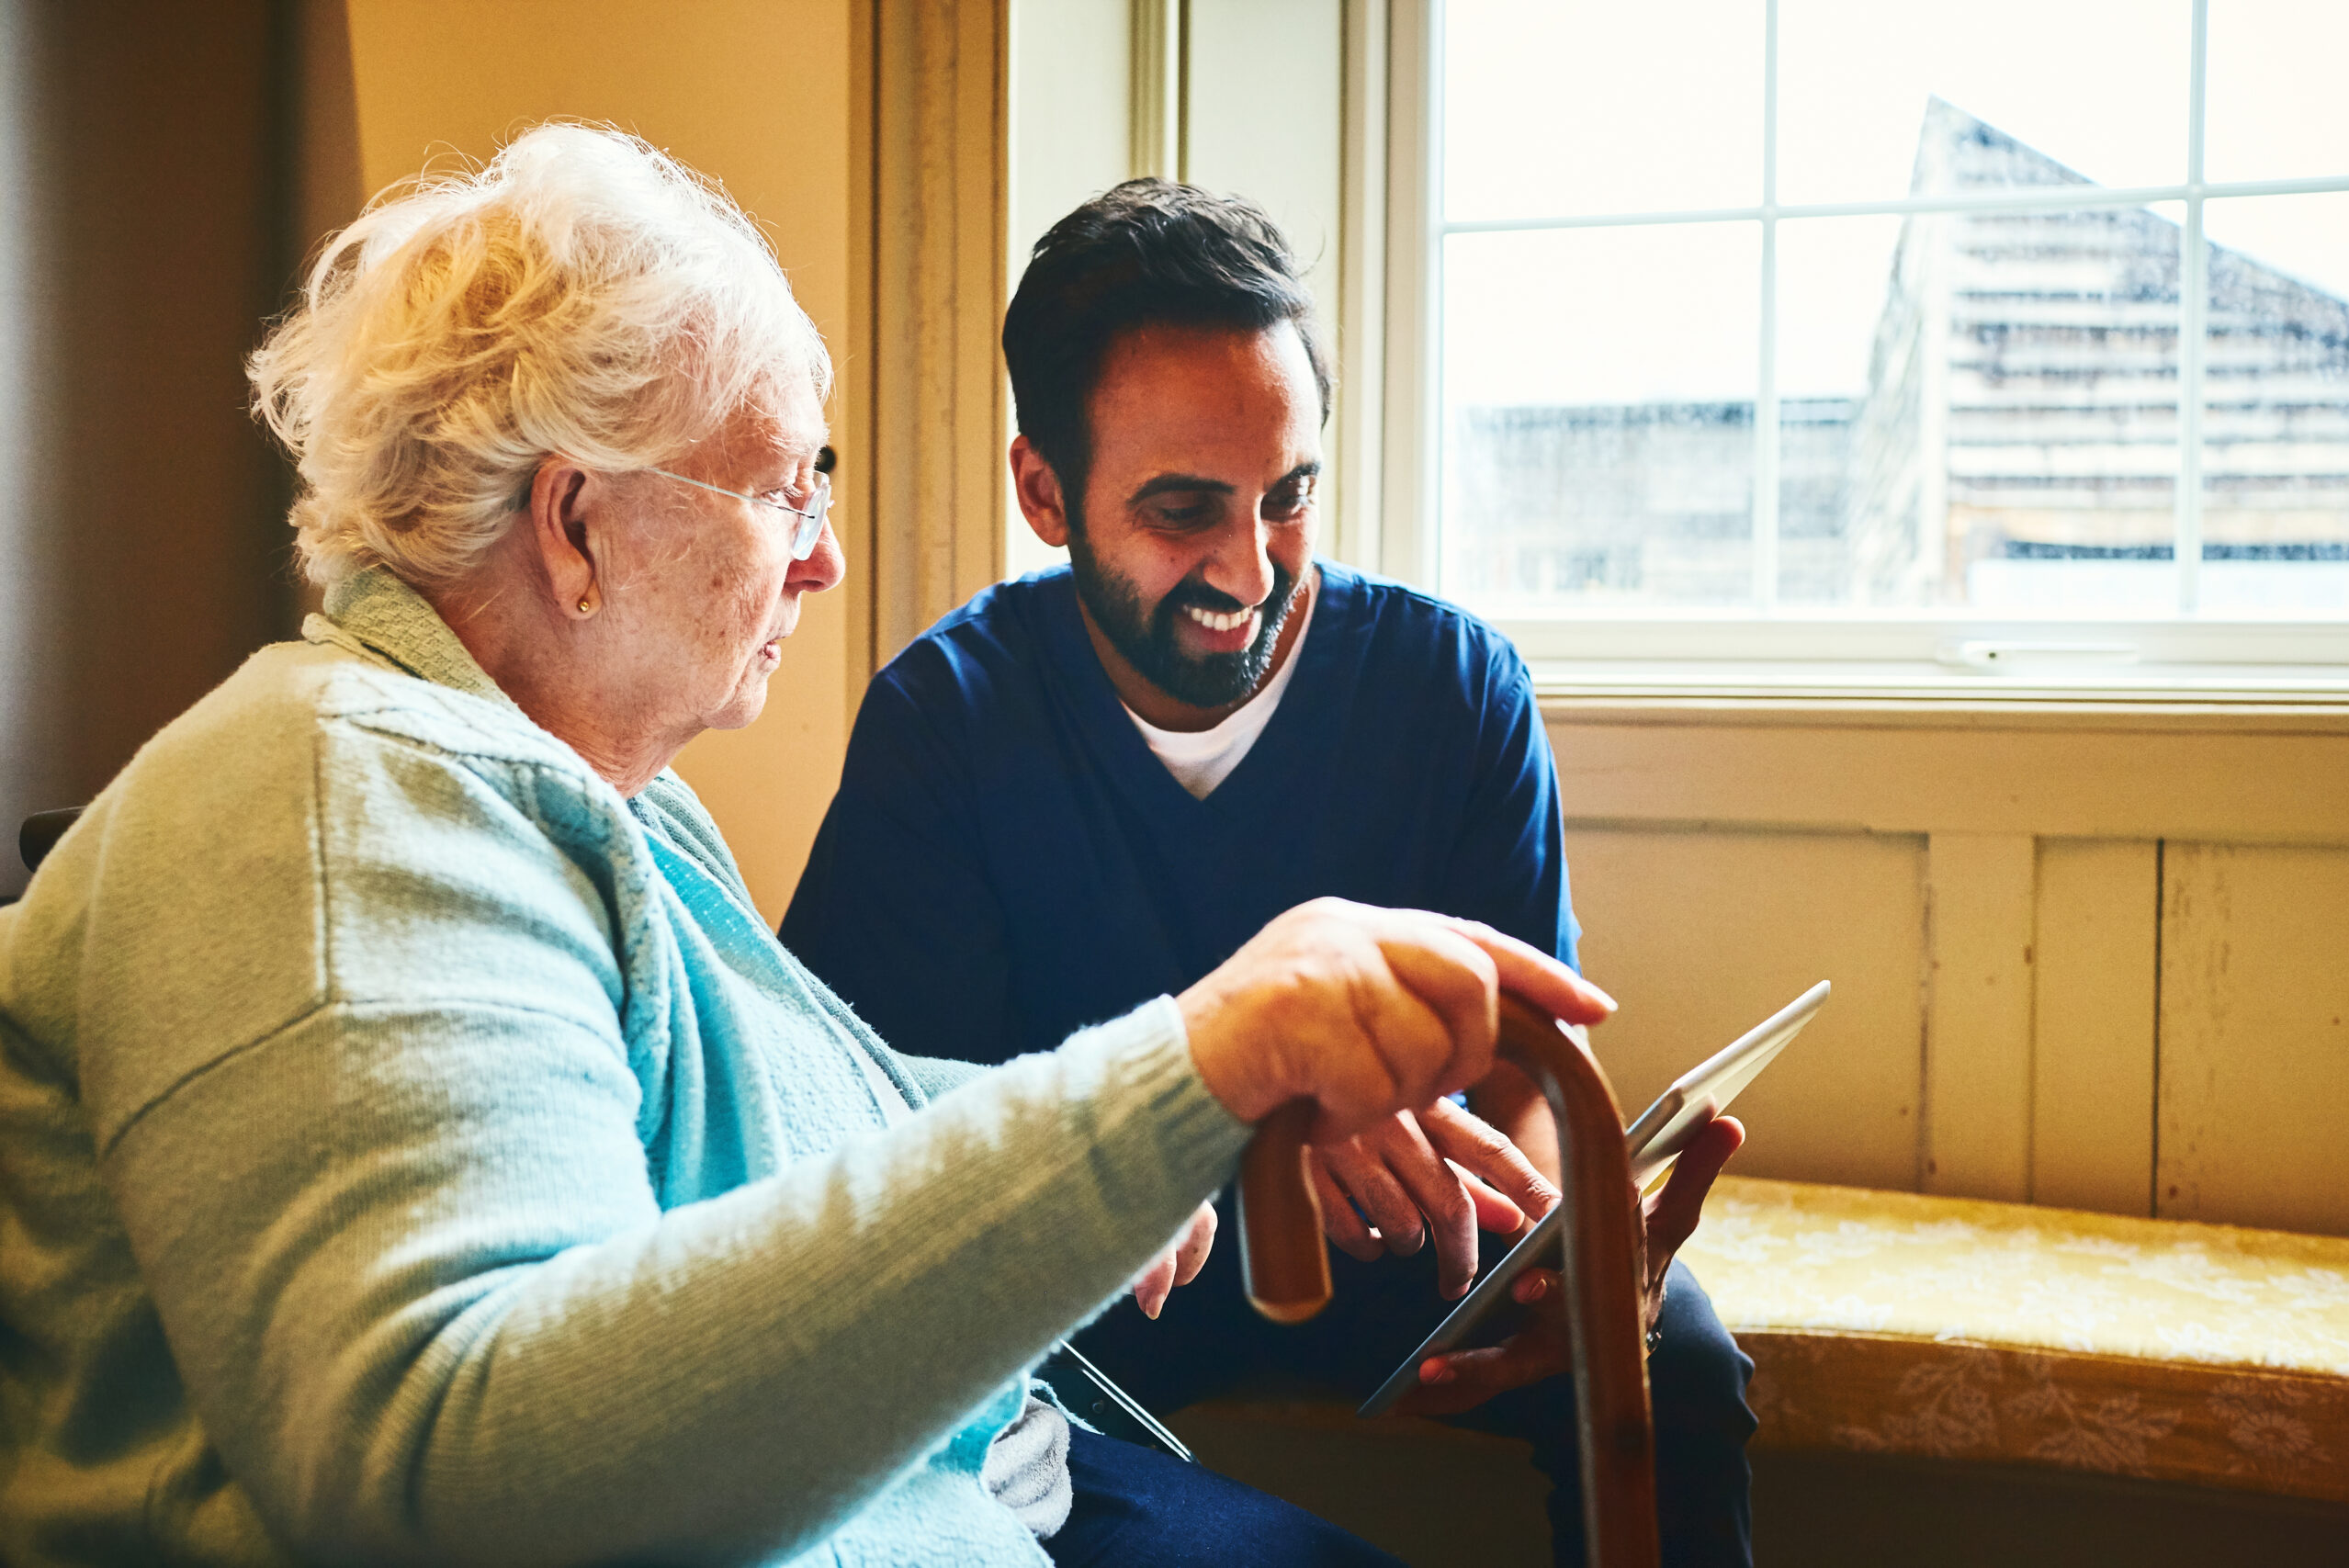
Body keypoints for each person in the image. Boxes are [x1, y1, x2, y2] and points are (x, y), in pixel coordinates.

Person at [0, 128, 1616, 1568]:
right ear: (575, 525)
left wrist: (1208, 1118)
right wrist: (1191, 1067)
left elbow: (790, 1136)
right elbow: (462, 1470)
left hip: (983, 1490)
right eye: (782, 487)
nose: (828, 557)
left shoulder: (597, 807)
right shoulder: (335, 806)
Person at [783, 179, 1758, 1566]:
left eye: (1288, 499)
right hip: (1103, 1285)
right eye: (1186, 511)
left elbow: (1523, 1074)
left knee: (1679, 1368)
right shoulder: (949, 724)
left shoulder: (1450, 685)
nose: (1252, 567)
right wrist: (1243, 1121)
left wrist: (1560, 1252)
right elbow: (873, 1138)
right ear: (1044, 492)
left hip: (1401, 1256)